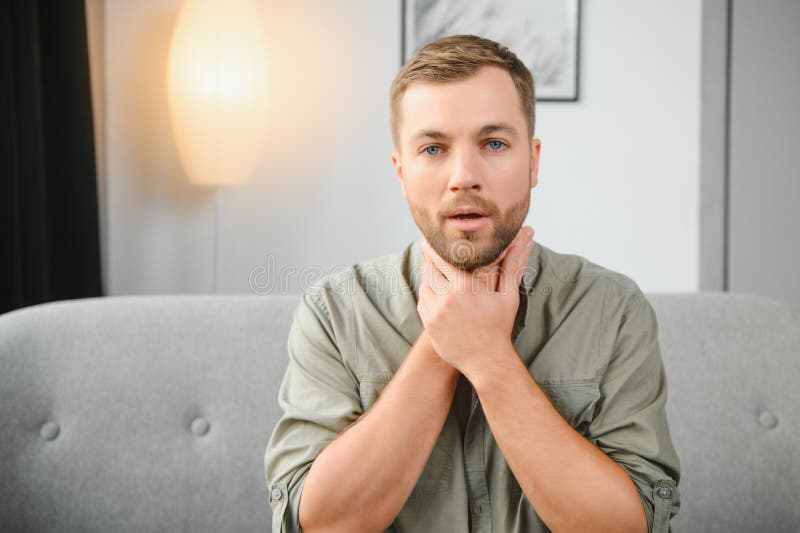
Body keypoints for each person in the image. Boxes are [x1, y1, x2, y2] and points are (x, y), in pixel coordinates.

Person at [265, 34, 681, 533]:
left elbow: (629, 527)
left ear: (534, 162)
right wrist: (446, 339)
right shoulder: (334, 312)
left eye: (495, 143)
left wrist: (487, 356)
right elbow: (320, 525)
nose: (464, 176)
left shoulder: (613, 310)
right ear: (401, 172)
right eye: (433, 148)